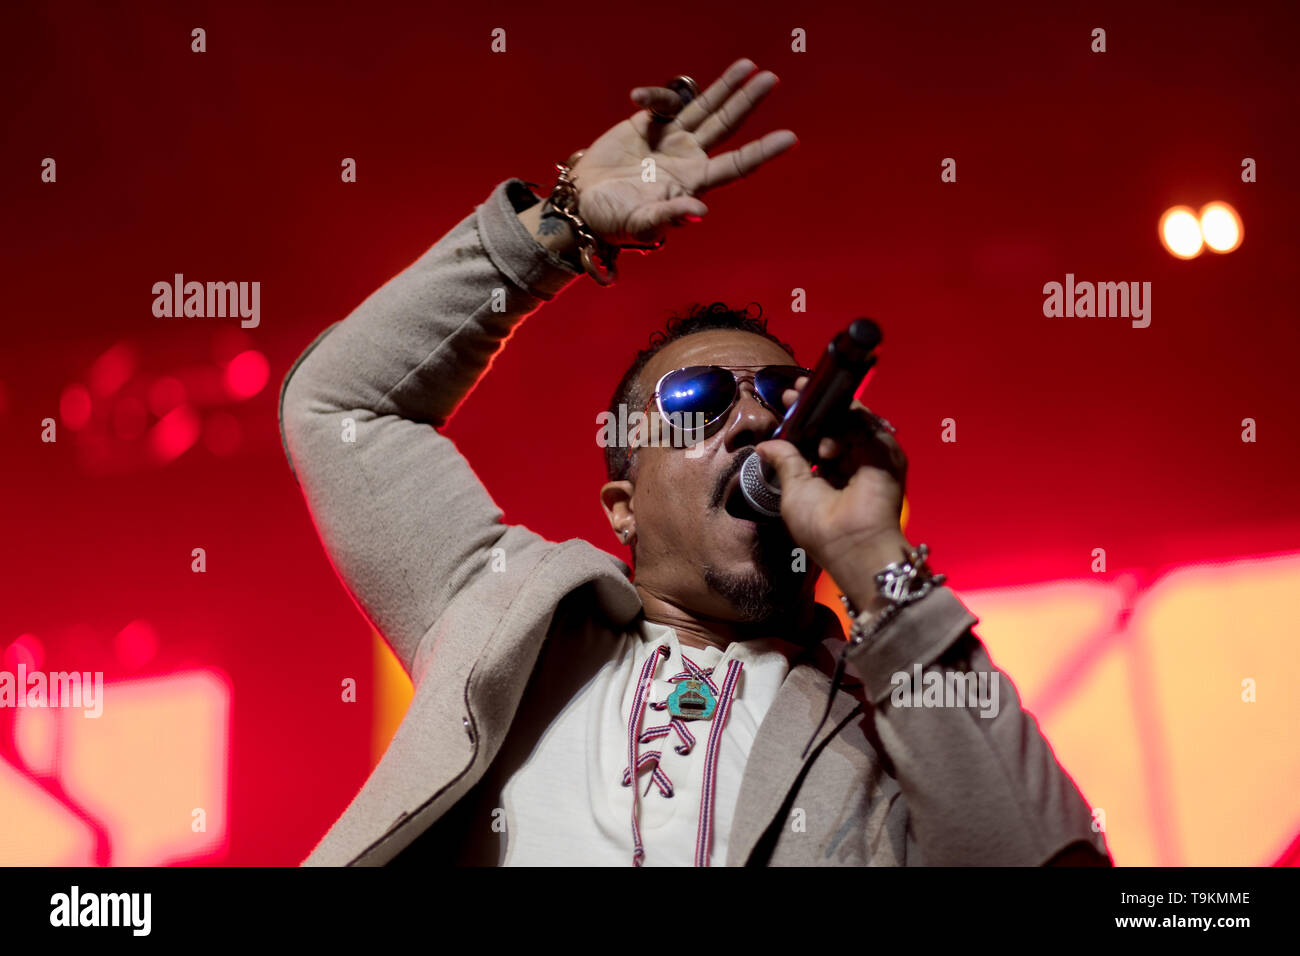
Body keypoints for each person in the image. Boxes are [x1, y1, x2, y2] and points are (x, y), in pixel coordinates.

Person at [277, 57, 1111, 866]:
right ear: (622, 506)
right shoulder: (505, 613)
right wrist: (560, 225)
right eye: (697, 401)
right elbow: (343, 407)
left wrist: (877, 564)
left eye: (783, 398)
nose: (754, 420)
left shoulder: (893, 731)